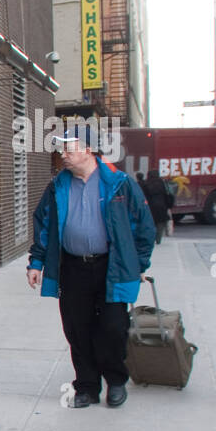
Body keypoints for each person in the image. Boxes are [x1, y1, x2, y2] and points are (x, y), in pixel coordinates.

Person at [27, 135, 155, 408]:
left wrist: (138, 264)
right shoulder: (57, 186)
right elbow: (44, 225)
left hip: (112, 267)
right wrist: (36, 263)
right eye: (61, 150)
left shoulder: (119, 183)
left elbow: (144, 226)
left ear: (88, 150)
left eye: (69, 149)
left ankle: (116, 381)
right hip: (72, 267)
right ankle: (86, 385)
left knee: (113, 326)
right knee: (77, 328)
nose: (63, 154)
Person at [140, 168, 171, 245]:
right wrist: (168, 205)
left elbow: (143, 196)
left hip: (150, 206)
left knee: (150, 223)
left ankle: (151, 238)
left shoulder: (146, 184)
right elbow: (168, 195)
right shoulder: (163, 183)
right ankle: (158, 239)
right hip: (162, 206)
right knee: (160, 223)